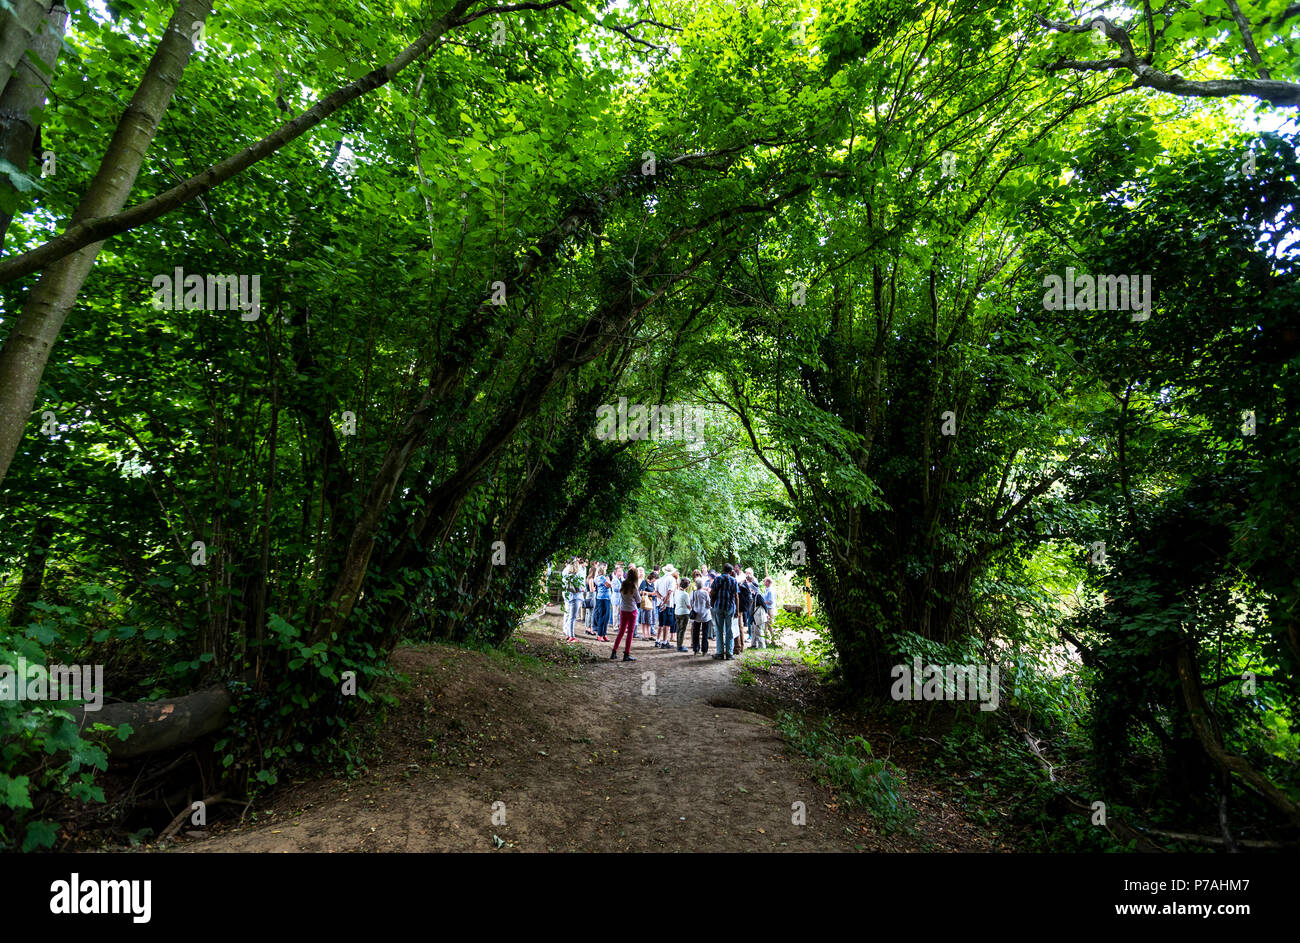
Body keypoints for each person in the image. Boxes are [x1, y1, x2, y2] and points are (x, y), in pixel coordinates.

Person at [710, 564, 740, 660]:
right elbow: (736, 596)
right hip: (729, 607)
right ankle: (729, 653)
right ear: (731, 572)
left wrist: (712, 602)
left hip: (718, 606)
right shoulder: (733, 580)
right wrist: (737, 611)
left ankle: (719, 653)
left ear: (723, 570)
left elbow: (712, 592)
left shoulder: (717, 579)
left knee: (719, 630)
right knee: (729, 630)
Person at [612, 567, 641, 661]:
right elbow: (639, 600)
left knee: (621, 632)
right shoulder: (634, 587)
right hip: (632, 611)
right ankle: (626, 653)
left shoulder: (623, 584)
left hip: (623, 610)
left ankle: (614, 651)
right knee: (630, 633)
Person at [561, 560, 583, 641]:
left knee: (570, 616)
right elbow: (578, 588)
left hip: (569, 597)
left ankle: (568, 634)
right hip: (575, 597)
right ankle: (571, 636)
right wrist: (582, 588)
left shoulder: (567, 576)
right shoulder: (575, 576)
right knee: (572, 617)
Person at [689, 576, 712, 654]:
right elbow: (709, 604)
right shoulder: (705, 593)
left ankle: (696, 649)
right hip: (705, 615)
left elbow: (691, 603)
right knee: (705, 633)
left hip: (696, 615)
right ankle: (704, 650)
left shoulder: (693, 593)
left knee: (696, 633)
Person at [656, 566, 677, 648]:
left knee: (661, 623)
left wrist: (661, 599)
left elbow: (656, 592)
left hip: (659, 604)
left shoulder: (659, 580)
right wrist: (664, 603)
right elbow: (669, 592)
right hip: (668, 605)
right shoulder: (672, 579)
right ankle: (664, 642)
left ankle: (657, 640)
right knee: (667, 624)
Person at [591, 562, 611, 643]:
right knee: (602, 617)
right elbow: (609, 585)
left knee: (606, 617)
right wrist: (608, 580)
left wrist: (608, 581)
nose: (606, 569)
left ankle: (604, 633)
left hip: (606, 598)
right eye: (605, 568)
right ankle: (600, 634)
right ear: (602, 569)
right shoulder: (601, 578)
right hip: (602, 599)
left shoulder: (600, 577)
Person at [673, 576, 691, 651]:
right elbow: (688, 605)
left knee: (678, 629)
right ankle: (679, 646)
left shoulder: (676, 592)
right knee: (682, 630)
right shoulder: (685, 594)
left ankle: (678, 644)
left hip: (677, 612)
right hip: (684, 613)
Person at [749, 585, 769, 649]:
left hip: (758, 616)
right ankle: (753, 645)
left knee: (759, 631)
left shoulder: (759, 596)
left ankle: (762, 646)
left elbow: (764, 606)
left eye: (751, 588)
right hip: (754, 616)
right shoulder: (753, 595)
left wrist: (766, 614)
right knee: (753, 631)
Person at [639, 568, 657, 640]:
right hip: (645, 602)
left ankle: (649, 634)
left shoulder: (652, 584)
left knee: (650, 619)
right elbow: (640, 592)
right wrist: (650, 593)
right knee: (644, 619)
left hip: (651, 602)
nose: (655, 580)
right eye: (655, 578)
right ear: (652, 577)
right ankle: (644, 635)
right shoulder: (644, 582)